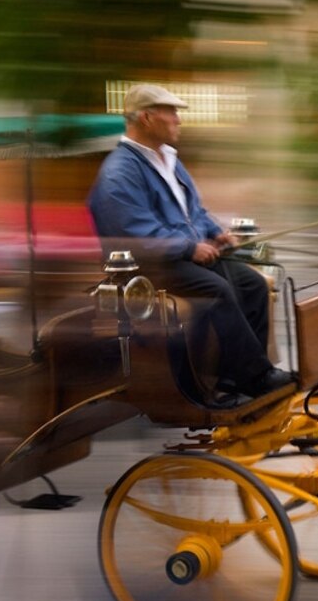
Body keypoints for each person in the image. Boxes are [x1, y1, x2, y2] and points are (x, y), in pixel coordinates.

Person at [87, 83, 295, 398]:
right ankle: (257, 376)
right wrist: (189, 247)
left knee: (251, 283)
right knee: (217, 289)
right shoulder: (119, 173)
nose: (178, 120)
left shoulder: (169, 159)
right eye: (171, 113)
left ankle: (232, 378)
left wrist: (214, 234)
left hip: (178, 259)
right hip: (148, 268)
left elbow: (192, 211)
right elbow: (136, 232)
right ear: (146, 118)